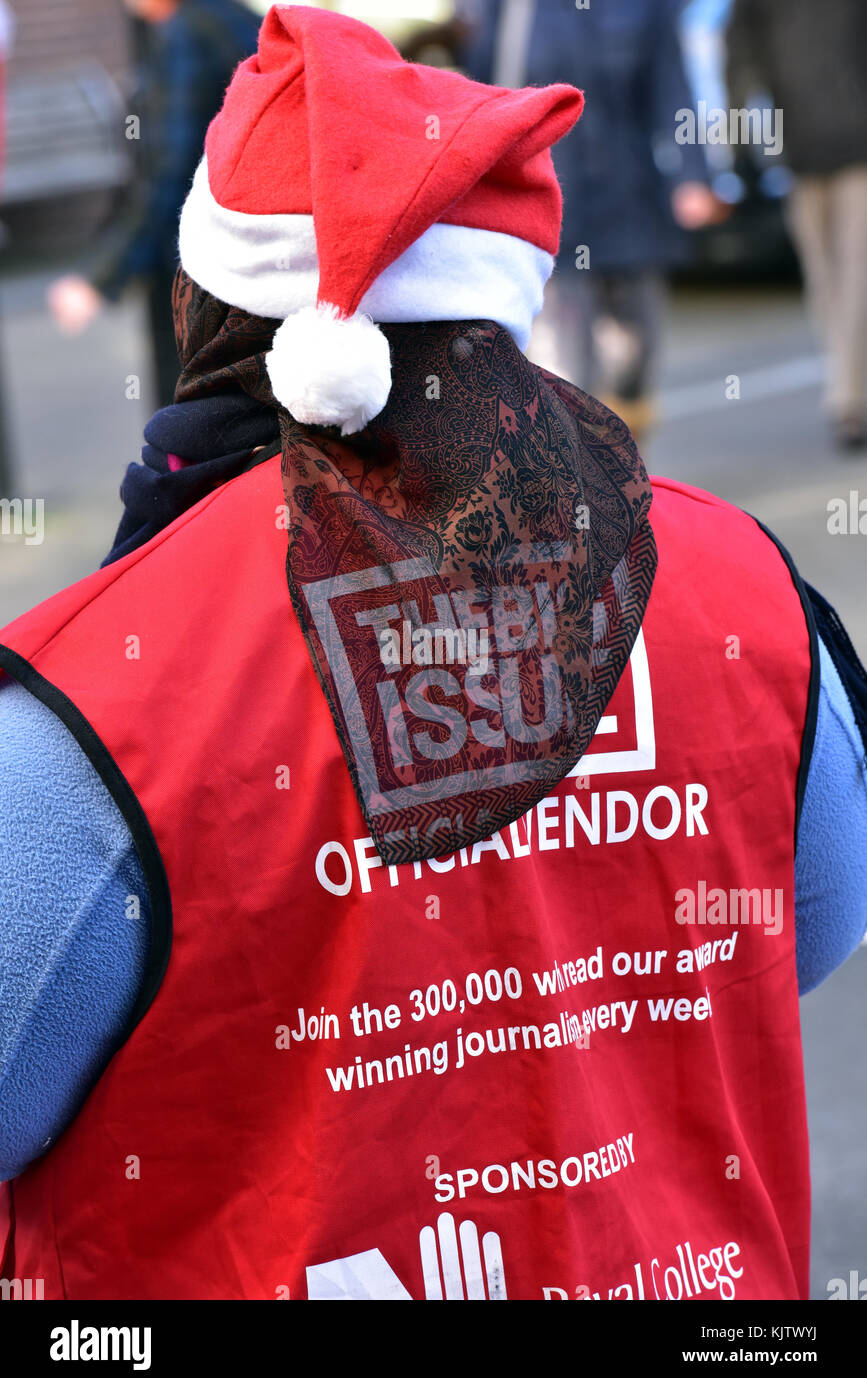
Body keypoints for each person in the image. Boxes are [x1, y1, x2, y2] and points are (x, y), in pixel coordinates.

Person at [1, 5, 865, 1301]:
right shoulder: (741, 587)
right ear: (497, 313)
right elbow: (804, 926)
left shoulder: (92, 692)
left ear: (210, 305)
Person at [456, 0, 726, 441]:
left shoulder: (646, 8)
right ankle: (581, 486)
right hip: (548, 204)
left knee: (633, 355)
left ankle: (624, 464)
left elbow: (671, 89)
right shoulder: (509, 9)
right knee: (564, 362)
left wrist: (693, 176)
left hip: (631, 197)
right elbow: (479, 92)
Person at [47, 0, 261, 408]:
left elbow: (169, 174)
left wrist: (102, 279)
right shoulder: (235, 20)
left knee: (188, 416)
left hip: (194, 267)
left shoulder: (186, 36)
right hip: (247, 255)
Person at [727, 0, 867, 451]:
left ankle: (849, 398)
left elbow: (739, 64)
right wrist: (740, 148)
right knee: (828, 279)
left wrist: (740, 150)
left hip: (847, 151)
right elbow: (740, 60)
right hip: (804, 154)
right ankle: (849, 389)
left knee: (852, 275)